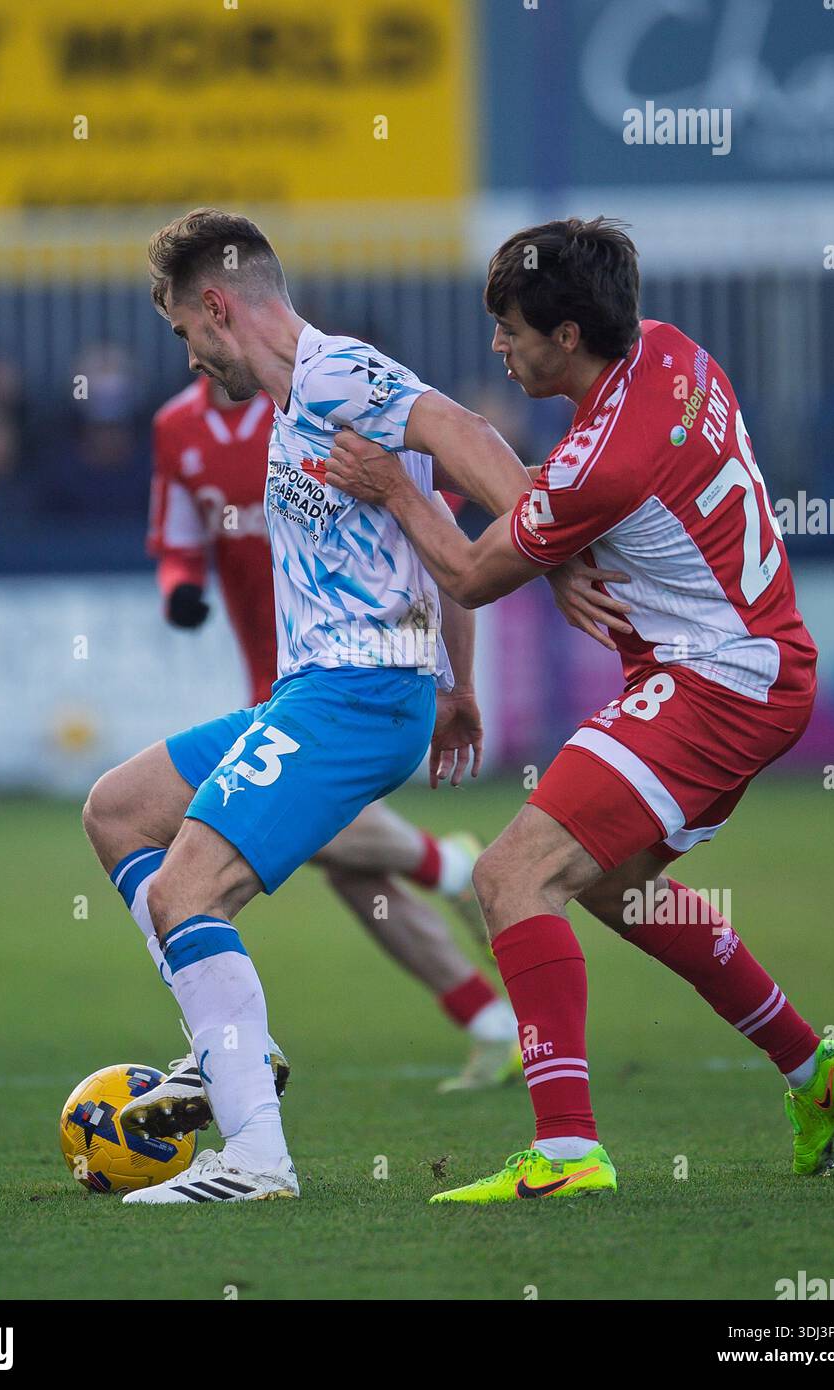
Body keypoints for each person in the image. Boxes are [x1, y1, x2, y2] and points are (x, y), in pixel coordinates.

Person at [325, 217, 834, 1203]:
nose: (497, 345)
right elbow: (589, 499)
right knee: (615, 887)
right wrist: (561, 555)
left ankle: (569, 1149)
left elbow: (465, 568)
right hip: (750, 661)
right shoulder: (671, 351)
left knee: (509, 876)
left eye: (509, 329)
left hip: (713, 683)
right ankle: (812, 1068)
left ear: (567, 336)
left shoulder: (596, 464)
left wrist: (391, 490)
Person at [80, 206, 549, 1206]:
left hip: (357, 697)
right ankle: (221, 1045)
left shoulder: (338, 373)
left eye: (185, 335)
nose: (194, 361)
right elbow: (426, 515)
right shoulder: (296, 404)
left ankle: (255, 1156)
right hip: (323, 690)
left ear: (216, 306)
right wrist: (460, 684)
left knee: (184, 892)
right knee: (117, 809)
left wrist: (548, 537)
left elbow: (460, 438)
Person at [146, 372, 522, 1092]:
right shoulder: (175, 429)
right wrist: (181, 591)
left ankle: (449, 872)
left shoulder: (317, 412)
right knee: (349, 870)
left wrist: (447, 672)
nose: (194, 356)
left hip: (350, 673)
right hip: (278, 675)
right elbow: (179, 542)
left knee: (314, 843)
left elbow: (431, 519)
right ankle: (488, 1017)